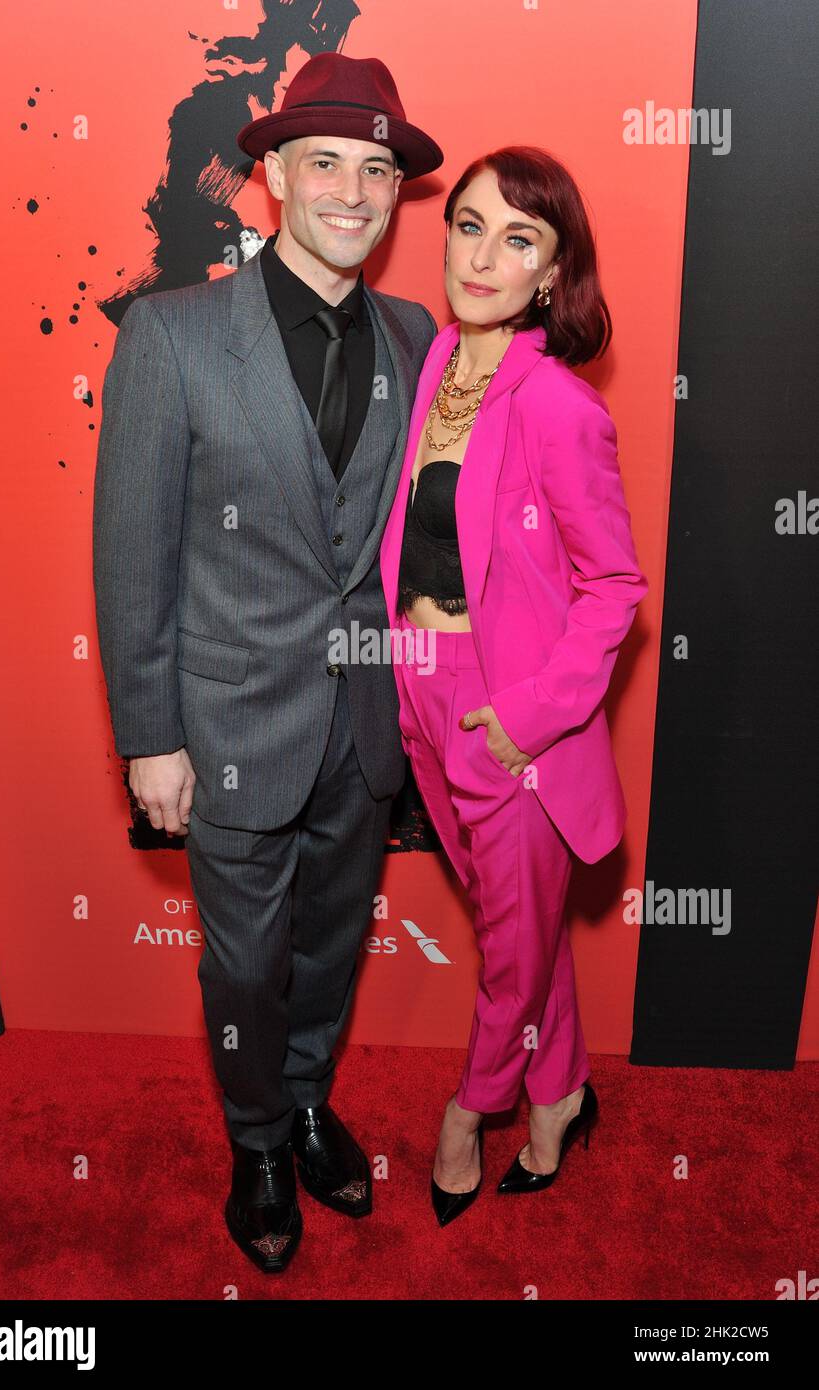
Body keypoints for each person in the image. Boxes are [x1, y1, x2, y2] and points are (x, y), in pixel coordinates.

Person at [92, 52, 443, 1272]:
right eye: (327, 163)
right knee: (244, 962)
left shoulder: (419, 337)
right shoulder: (174, 336)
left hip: (366, 724)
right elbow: (133, 552)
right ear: (273, 177)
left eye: (377, 169)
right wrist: (149, 735)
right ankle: (254, 1142)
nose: (353, 190)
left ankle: (304, 1101)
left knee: (334, 941)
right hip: (229, 720)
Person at [379, 146, 649, 1226]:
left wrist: (528, 718)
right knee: (521, 927)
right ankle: (560, 1092)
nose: (482, 255)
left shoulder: (557, 405)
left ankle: (472, 1110)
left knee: (509, 948)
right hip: (416, 688)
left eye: (517, 238)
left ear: (550, 273)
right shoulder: (433, 359)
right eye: (468, 226)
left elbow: (615, 585)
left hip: (507, 718)